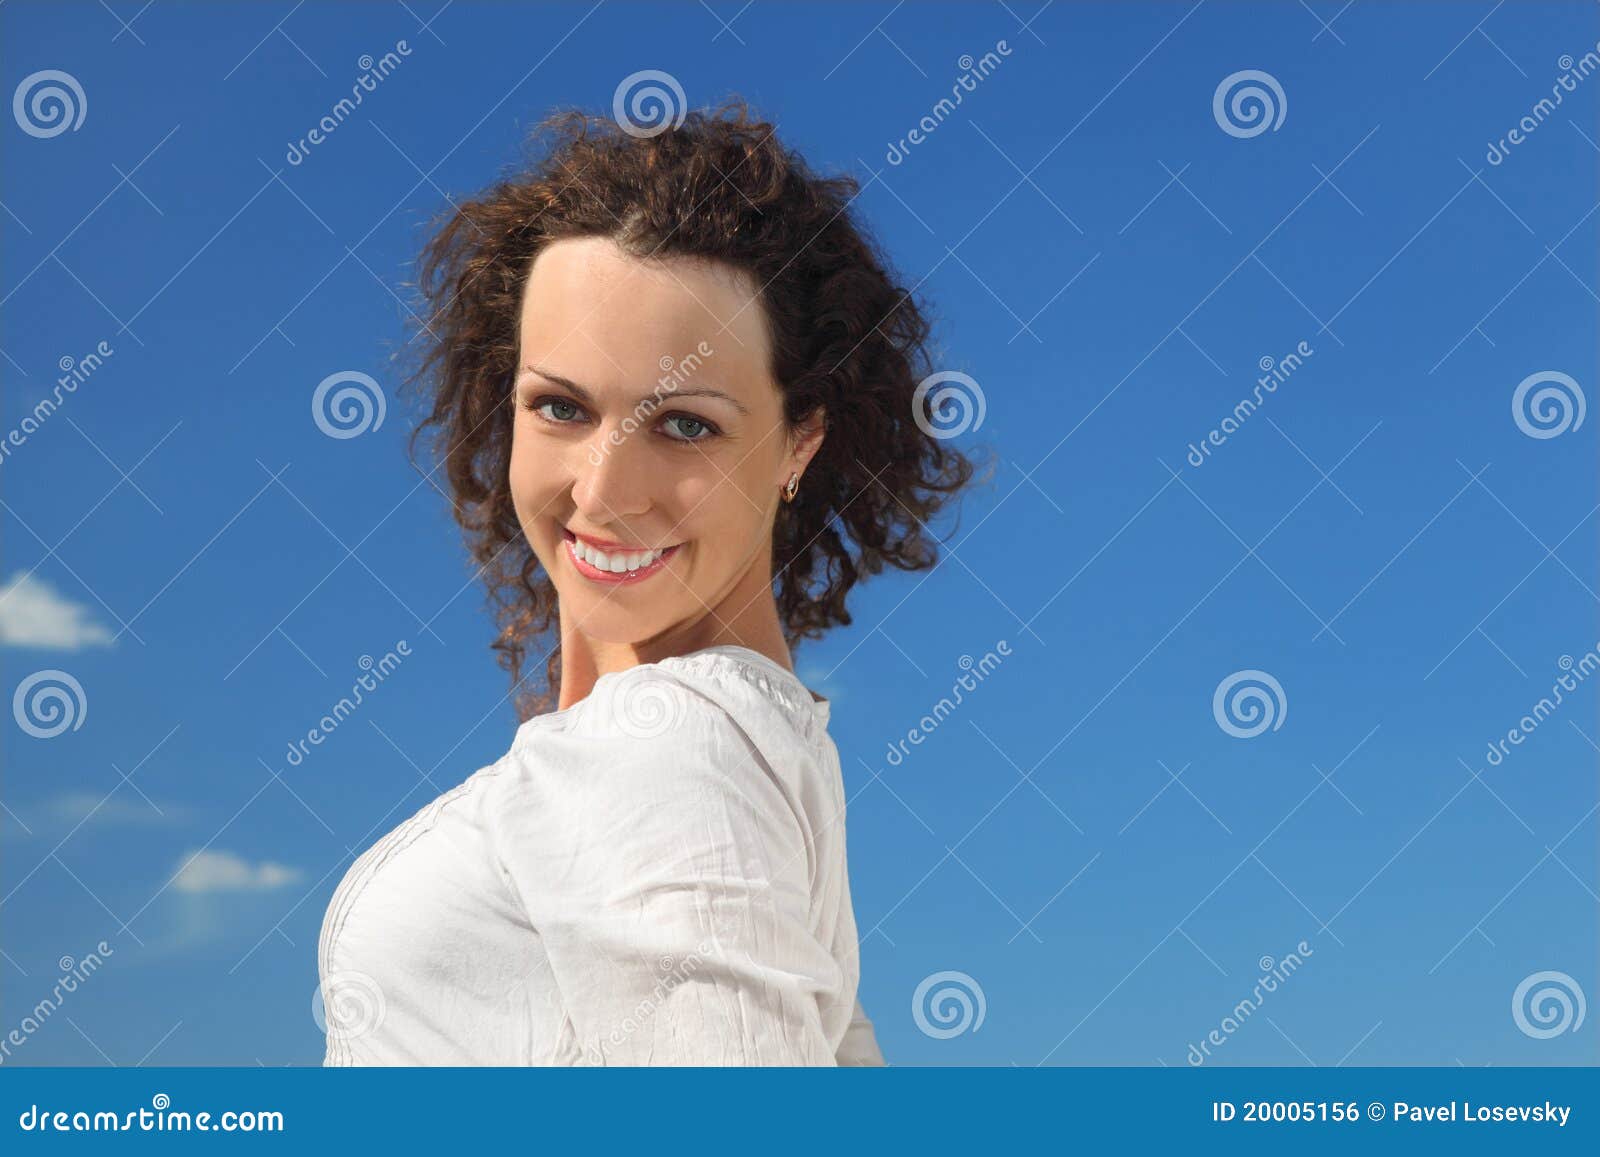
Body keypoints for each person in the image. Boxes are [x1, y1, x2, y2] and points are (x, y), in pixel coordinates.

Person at [317, 97, 977, 1065]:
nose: (601, 489)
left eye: (683, 424)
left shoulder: (678, 740)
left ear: (802, 438)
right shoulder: (724, 740)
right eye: (560, 407)